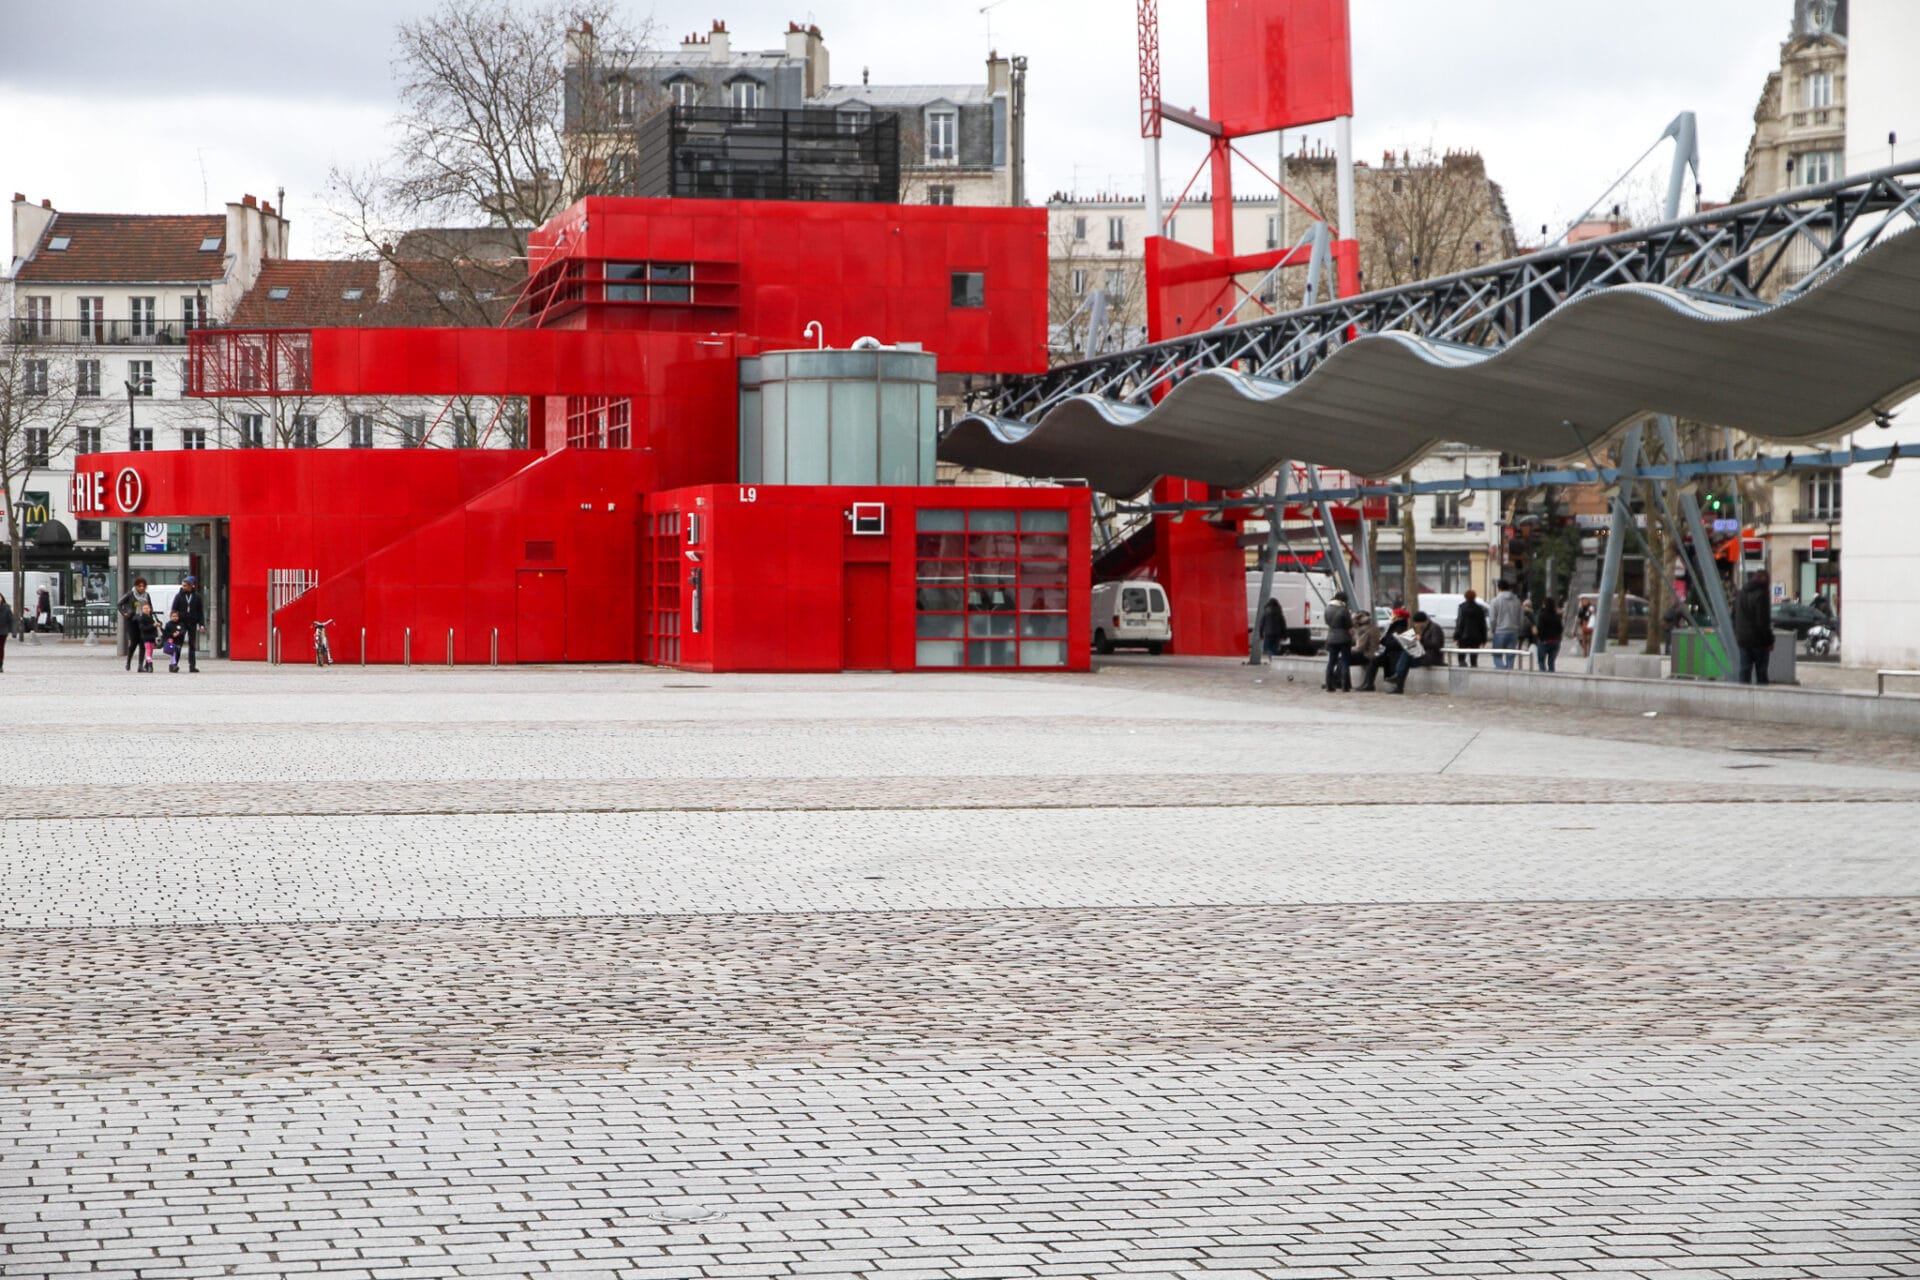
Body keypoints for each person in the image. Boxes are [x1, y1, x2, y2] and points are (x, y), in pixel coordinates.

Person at [1388, 609, 1446, 693]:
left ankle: (1398, 681)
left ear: (1422, 622)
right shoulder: (1425, 628)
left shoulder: (1435, 628)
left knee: (1407, 655)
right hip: (1424, 655)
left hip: (1431, 657)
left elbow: (1436, 644)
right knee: (1406, 655)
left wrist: (1420, 640)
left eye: (1416, 623)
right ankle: (1398, 682)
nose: (1415, 625)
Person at [1734, 570, 1776, 685]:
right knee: (1761, 672)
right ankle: (1761, 694)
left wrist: (1737, 633)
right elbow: (1763, 622)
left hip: (1743, 639)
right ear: (1765, 580)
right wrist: (1769, 641)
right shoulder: (1761, 595)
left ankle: (1742, 694)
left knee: (1744, 670)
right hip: (1758, 641)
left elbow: (1734, 616)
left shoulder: (1741, 593)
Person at [1358, 608, 1409, 692]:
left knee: (1385, 662)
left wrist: (1386, 641)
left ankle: (1395, 686)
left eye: (1394, 615)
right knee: (1374, 660)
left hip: (1395, 654)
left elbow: (1396, 643)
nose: (1392, 616)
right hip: (1389, 652)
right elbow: (1388, 639)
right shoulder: (1394, 625)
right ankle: (1368, 683)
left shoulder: (1401, 627)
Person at [118, 576, 153, 672]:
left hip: (143, 620)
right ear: (136, 586)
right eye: (139, 586)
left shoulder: (147, 595)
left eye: (143, 586)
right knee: (133, 642)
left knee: (142, 642)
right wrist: (125, 613)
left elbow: (150, 607)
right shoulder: (130, 594)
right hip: (132, 621)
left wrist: (150, 619)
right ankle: (128, 662)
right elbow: (119, 604)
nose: (142, 588)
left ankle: (140, 665)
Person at [1321, 590, 1353, 692]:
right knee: (1345, 660)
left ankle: (1329, 684)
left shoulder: (1328, 608)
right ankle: (1345, 685)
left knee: (1331, 661)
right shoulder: (1344, 609)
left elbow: (1327, 622)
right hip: (1344, 638)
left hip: (1331, 637)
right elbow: (1349, 624)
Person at [174, 574, 206, 673]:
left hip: (192, 623)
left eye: (185, 585)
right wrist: (174, 622)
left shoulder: (197, 597)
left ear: (191, 585)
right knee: (178, 644)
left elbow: (200, 612)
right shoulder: (179, 596)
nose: (183, 587)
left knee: (192, 645)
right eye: (183, 585)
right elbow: (174, 609)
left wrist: (201, 624)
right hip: (181, 623)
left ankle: (192, 666)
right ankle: (174, 664)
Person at [1489, 579, 1524, 669]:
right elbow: (1521, 618)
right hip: (1514, 631)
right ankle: (1509, 671)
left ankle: (1501, 669)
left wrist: (1493, 629)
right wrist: (1519, 629)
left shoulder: (1495, 601)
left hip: (1500, 631)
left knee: (1497, 655)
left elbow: (1492, 618)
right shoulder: (1517, 601)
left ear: (1498, 588)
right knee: (1511, 656)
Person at [1349, 607, 1382, 691]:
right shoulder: (1374, 627)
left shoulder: (1363, 630)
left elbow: (1360, 647)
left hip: (1367, 654)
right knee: (1345, 657)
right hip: (1372, 653)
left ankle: (1341, 681)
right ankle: (1339, 680)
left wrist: (1350, 648)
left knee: (1345, 657)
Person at [1453, 588, 1489, 666]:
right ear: (1474, 597)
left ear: (1465, 597)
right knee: (1474, 658)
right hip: (1476, 637)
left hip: (1463, 636)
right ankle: (1473, 669)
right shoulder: (1479, 609)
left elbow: (1460, 623)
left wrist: (1456, 636)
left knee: (1461, 657)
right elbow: (1482, 625)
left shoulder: (1462, 608)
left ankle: (1462, 668)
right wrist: (1484, 639)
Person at [1535, 598, 1564, 672]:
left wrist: (1538, 637)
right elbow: (1560, 628)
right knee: (1551, 662)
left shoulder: (1542, 615)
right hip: (1555, 641)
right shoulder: (1557, 616)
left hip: (1544, 640)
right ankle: (1551, 674)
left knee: (1541, 661)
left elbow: (1540, 628)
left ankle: (1543, 675)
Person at [131, 601, 159, 673]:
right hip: (146, 636)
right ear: (142, 610)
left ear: (150, 609)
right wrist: (152, 626)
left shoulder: (152, 617)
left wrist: (158, 624)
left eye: (147, 608)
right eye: (144, 608)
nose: (146, 610)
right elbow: (142, 628)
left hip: (152, 636)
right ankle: (150, 665)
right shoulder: (142, 618)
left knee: (151, 651)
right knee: (148, 650)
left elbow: (158, 622)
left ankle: (147, 664)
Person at [1257, 596, 1288, 661]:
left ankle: (1270, 657)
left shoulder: (1266, 612)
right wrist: (1284, 635)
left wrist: (1261, 634)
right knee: (1275, 648)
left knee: (1267, 648)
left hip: (1268, 634)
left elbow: (1261, 624)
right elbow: (1283, 625)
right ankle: (1274, 658)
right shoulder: (1279, 612)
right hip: (1277, 634)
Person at [159, 609, 188, 673]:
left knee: (178, 653)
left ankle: (173, 665)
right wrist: (171, 636)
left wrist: (179, 633)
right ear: (170, 617)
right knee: (174, 653)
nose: (175, 618)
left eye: (176, 616)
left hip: (179, 641)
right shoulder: (168, 624)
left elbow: (183, 631)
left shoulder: (181, 624)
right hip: (172, 641)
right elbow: (166, 633)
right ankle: (174, 665)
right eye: (173, 616)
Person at [0, 591, 11, 671]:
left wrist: (13, 630)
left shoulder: (6, 607)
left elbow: (11, 619)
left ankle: (0, 664)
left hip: (3, 632)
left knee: (0, 648)